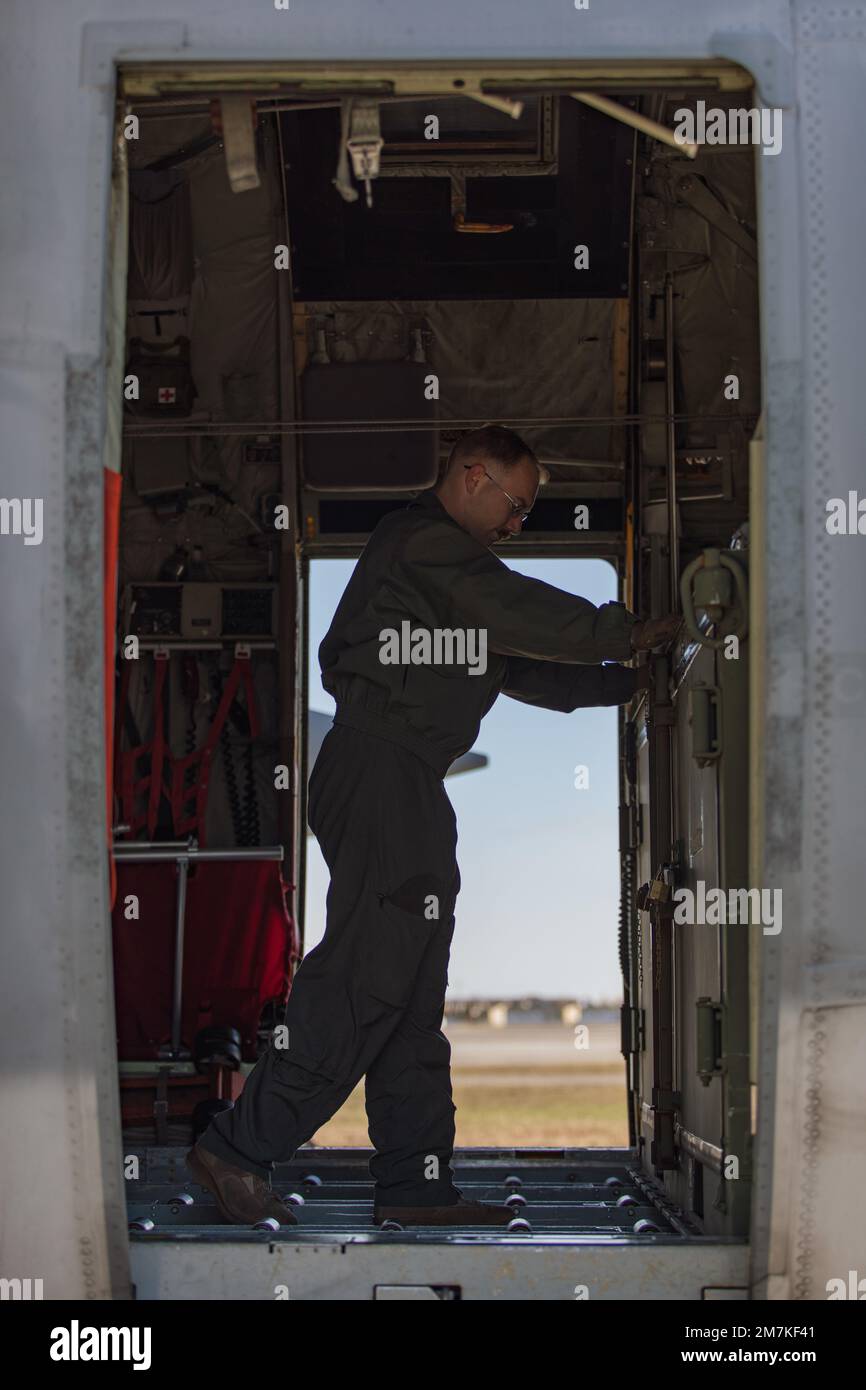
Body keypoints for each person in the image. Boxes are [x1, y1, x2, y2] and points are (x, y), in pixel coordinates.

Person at [187, 424, 679, 1227]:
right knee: (362, 979)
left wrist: (625, 680)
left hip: (406, 780)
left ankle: (415, 1187)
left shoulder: (448, 581)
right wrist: (621, 628)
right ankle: (237, 1148)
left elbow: (526, 668)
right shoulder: (424, 544)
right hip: (383, 770)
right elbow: (514, 606)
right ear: (474, 475)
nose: (517, 525)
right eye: (515, 507)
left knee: (411, 998)